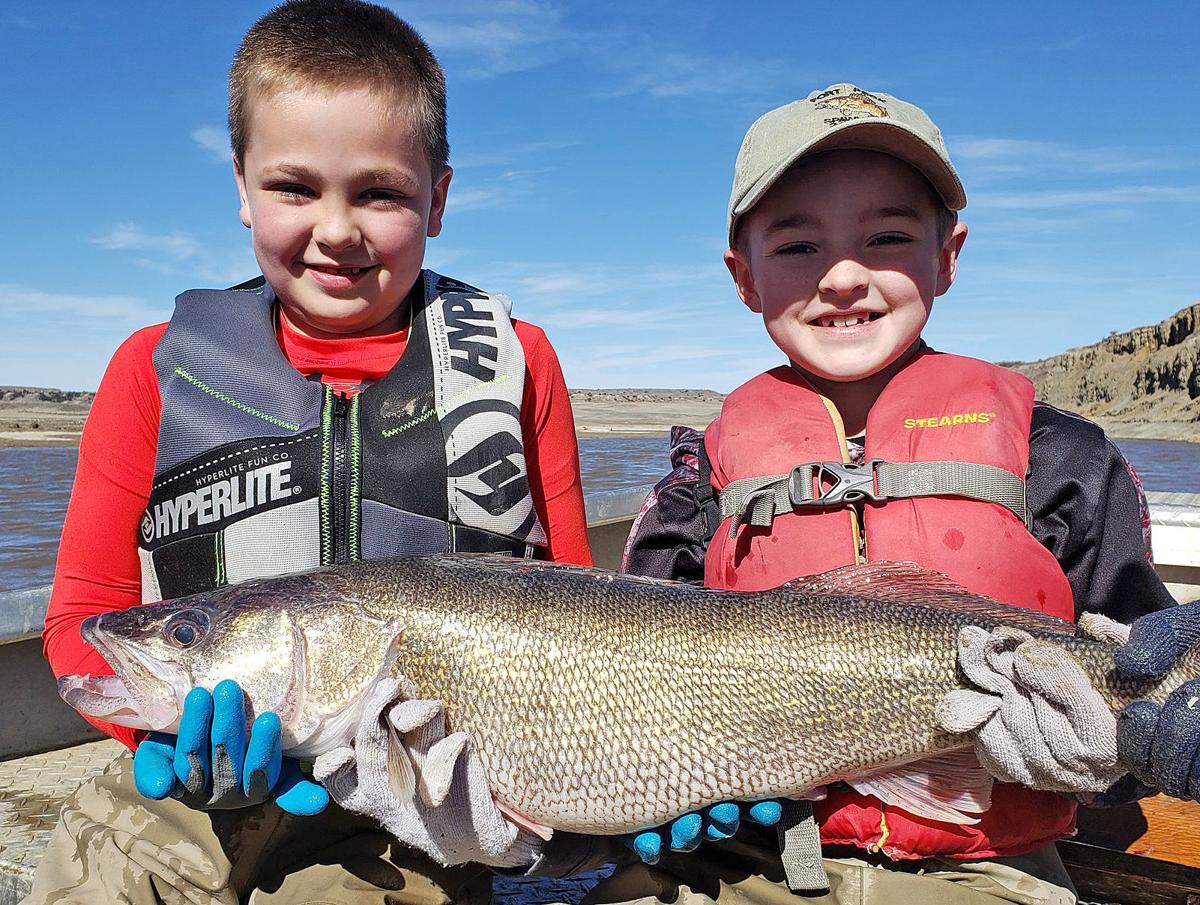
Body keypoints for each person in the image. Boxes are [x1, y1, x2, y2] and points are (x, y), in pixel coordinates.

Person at [28, 2, 589, 903]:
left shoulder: (522, 361)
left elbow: (578, 608)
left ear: (438, 199)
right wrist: (167, 740)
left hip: (418, 807)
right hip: (192, 790)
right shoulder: (149, 367)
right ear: (242, 186)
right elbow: (83, 620)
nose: (336, 229)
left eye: (379, 193)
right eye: (294, 187)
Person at [582, 83, 1187, 905]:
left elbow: (1146, 684)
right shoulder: (697, 485)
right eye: (799, 245)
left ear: (948, 255)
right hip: (738, 861)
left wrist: (1122, 756)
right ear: (743, 276)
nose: (842, 277)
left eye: (887, 238)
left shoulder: (1063, 460)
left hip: (989, 871)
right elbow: (630, 684)